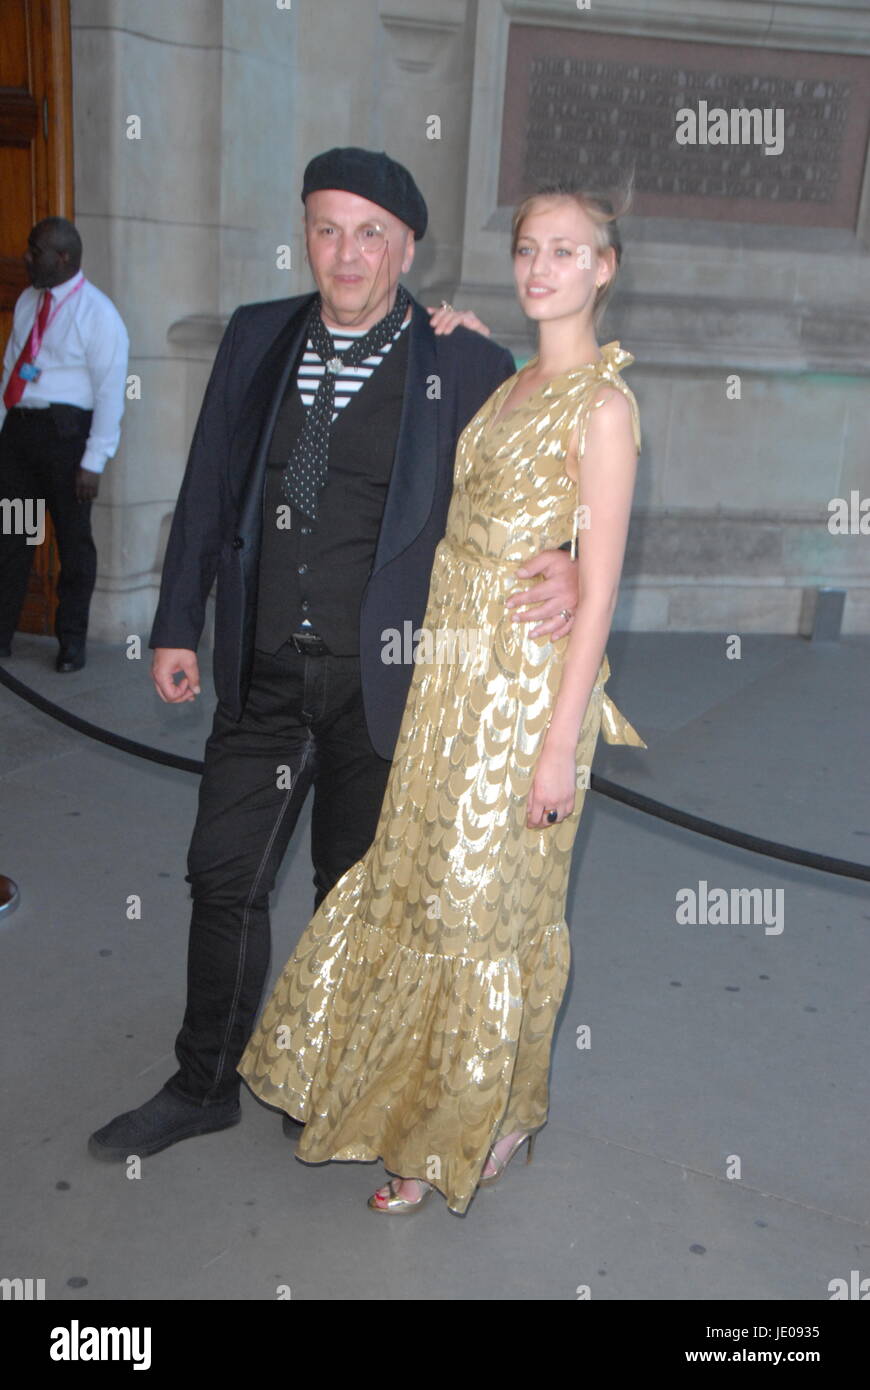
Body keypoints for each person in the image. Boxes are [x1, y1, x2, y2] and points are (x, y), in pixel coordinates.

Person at [88, 148, 580, 1162]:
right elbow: (210, 489)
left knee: (348, 890)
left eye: (369, 233)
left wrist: (565, 566)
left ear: (406, 246)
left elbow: (535, 482)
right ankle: (202, 1079)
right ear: (304, 234)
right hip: (266, 669)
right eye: (326, 228)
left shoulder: (467, 365)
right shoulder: (259, 336)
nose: (345, 253)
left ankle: (328, 1075)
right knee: (223, 875)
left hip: (387, 685)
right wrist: (178, 621)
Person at [237, 183, 646, 1216]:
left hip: (522, 699)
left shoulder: (604, 405)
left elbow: (595, 594)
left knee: (479, 911)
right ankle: (462, 1111)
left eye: (566, 251)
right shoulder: (502, 381)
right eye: (527, 249)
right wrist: (448, 329)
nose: (541, 267)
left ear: (604, 268)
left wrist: (559, 746)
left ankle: (448, 1135)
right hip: (446, 679)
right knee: (418, 891)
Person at [0, 218, 129, 671]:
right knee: (14, 534)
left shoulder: (99, 315)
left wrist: (94, 461)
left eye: (35, 251)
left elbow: (112, 392)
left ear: (63, 258)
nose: (26, 257)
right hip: (20, 436)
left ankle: (71, 640)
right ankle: (2, 634)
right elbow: (13, 367)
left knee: (74, 544)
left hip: (67, 441)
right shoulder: (27, 300)